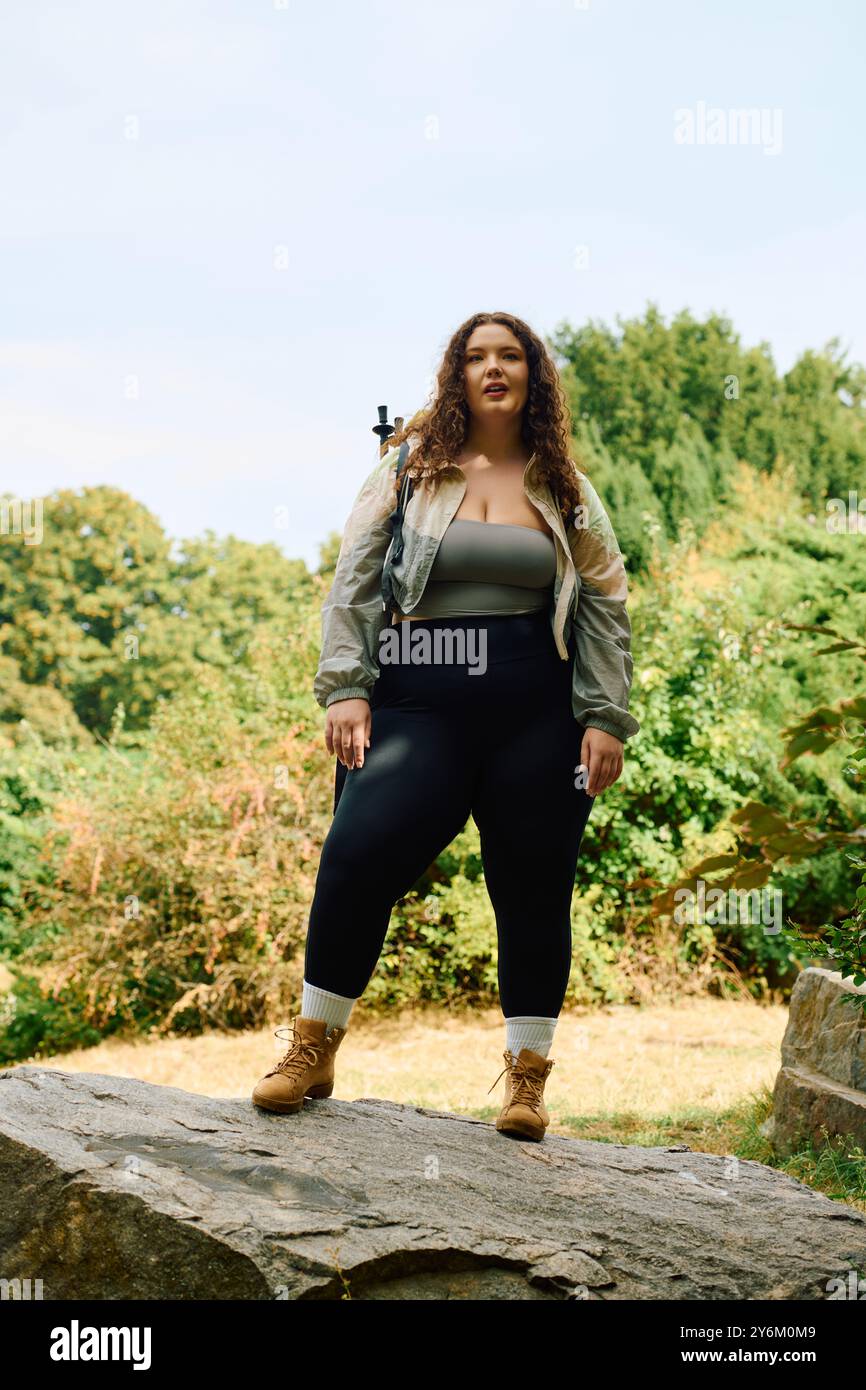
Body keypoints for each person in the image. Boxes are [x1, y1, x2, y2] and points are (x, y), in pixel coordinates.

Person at [252, 310, 640, 1141]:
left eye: (509, 356)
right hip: (419, 694)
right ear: (456, 374)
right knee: (357, 853)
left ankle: (527, 1083)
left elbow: (606, 600)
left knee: (534, 886)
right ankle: (312, 1048)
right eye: (475, 356)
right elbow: (355, 578)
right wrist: (345, 690)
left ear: (533, 374)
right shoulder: (409, 469)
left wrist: (604, 715)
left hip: (536, 704)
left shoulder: (564, 484)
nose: (492, 368)